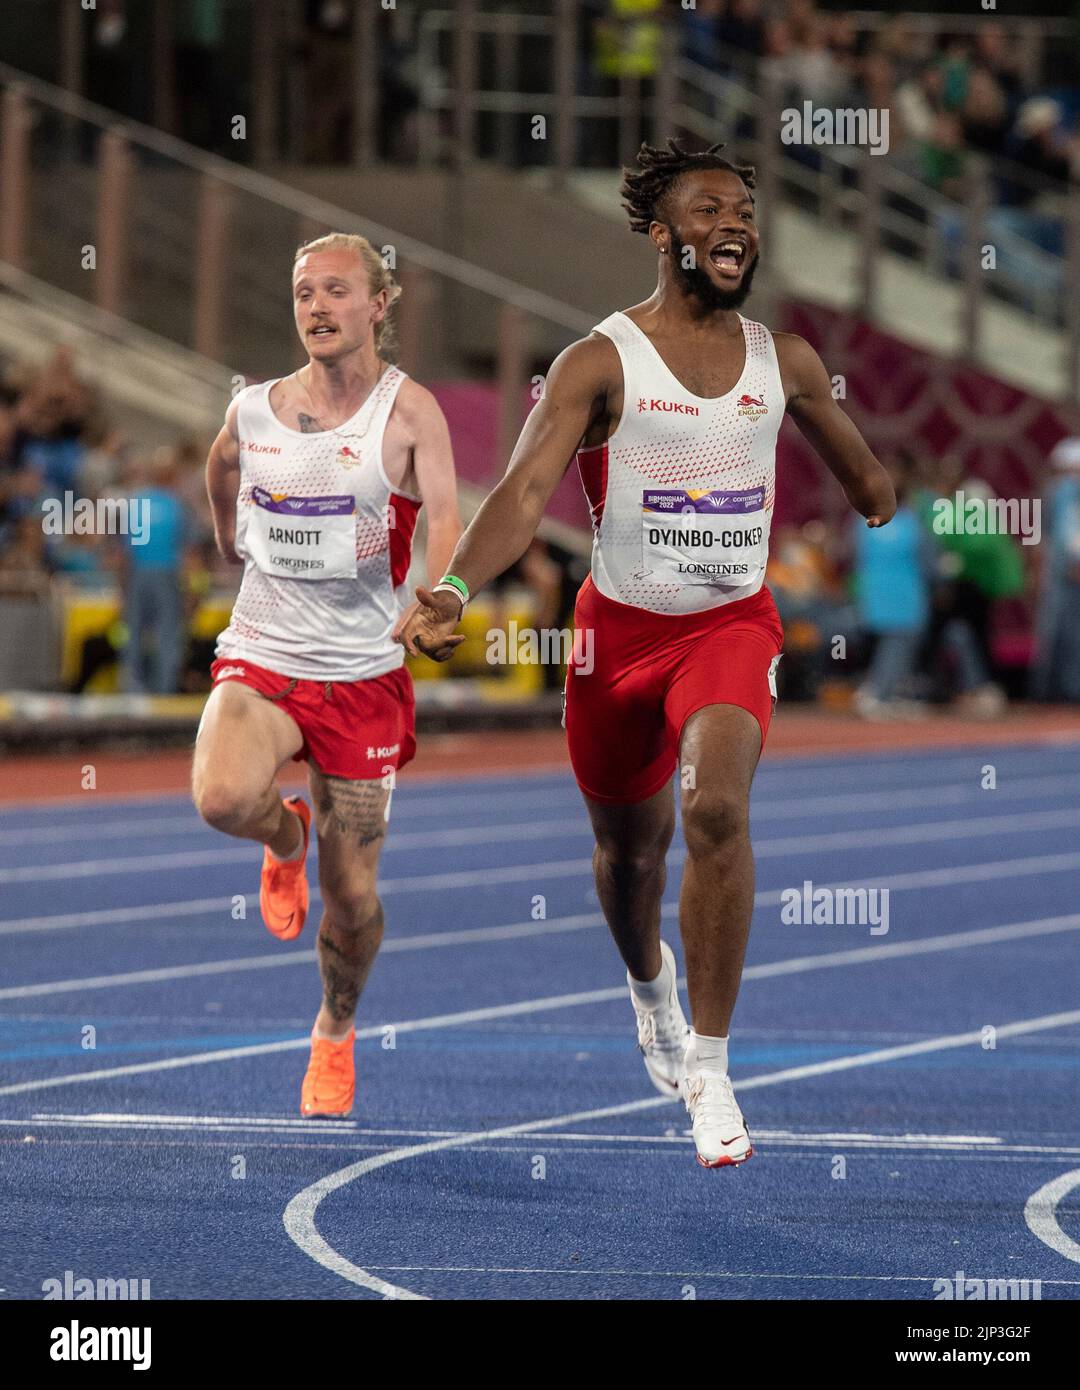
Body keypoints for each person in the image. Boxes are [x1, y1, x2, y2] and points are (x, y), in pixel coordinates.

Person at [398, 140, 894, 1168]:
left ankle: (710, 1068)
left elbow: (875, 490)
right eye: (714, 206)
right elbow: (525, 493)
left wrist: (861, 470)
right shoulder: (599, 360)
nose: (739, 223)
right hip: (617, 640)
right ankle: (649, 991)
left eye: (749, 210)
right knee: (631, 857)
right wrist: (452, 586)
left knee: (716, 808)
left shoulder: (783, 360)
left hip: (728, 628)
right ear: (664, 234)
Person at [192, 232, 462, 1116]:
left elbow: (450, 522)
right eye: (305, 291)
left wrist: (441, 597)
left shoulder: (410, 411)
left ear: (379, 306)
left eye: (338, 291)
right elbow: (221, 462)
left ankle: (335, 1031)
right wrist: (231, 541)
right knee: (222, 798)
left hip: (363, 673)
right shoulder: (256, 407)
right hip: (264, 651)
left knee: (351, 900)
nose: (317, 306)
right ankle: (283, 837)